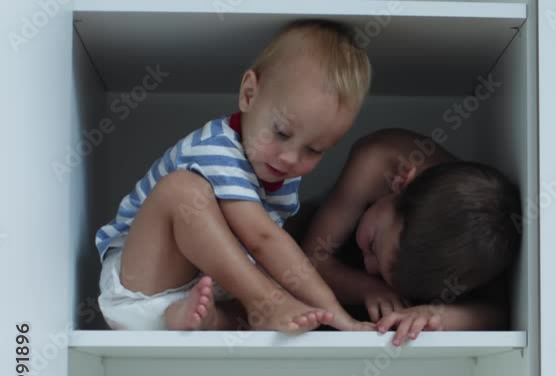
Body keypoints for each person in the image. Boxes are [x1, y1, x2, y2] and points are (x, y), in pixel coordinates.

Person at [94, 19, 374, 333]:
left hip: (198, 296)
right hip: (141, 285)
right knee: (182, 191)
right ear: (249, 94)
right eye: (281, 132)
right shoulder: (215, 148)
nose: (291, 158)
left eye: (315, 150)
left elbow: (271, 252)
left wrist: (334, 312)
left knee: (267, 278)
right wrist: (312, 304)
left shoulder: (280, 168)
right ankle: (261, 303)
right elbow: (262, 239)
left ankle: (202, 318)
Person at [291, 128, 522, 346]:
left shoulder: (478, 245)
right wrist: (368, 288)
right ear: (401, 183)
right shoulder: (376, 160)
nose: (369, 266)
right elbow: (309, 261)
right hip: (328, 248)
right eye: (373, 245)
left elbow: (498, 314)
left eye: (381, 274)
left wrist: (437, 315)